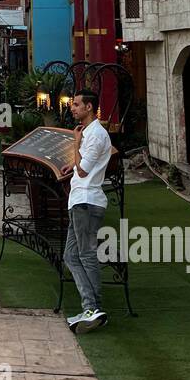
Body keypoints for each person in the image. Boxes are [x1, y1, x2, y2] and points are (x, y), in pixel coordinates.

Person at [61, 89, 113, 333]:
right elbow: (80, 167)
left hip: (87, 201)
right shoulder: (89, 133)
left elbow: (84, 172)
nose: (73, 108)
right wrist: (71, 163)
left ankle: (93, 306)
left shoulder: (95, 135)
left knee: (86, 254)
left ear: (89, 107)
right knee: (71, 256)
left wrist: (75, 144)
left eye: (77, 104)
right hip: (79, 199)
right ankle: (92, 307)